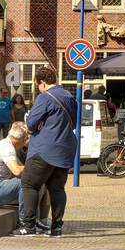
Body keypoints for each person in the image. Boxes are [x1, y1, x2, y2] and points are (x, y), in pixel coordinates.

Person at [15, 68, 76, 237]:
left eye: (38, 86)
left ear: (42, 82)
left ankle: (28, 227)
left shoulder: (45, 97)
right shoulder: (69, 96)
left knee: (29, 184)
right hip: (65, 149)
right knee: (57, 189)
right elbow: (74, 123)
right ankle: (56, 228)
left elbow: (31, 123)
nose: (38, 89)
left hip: (44, 149)